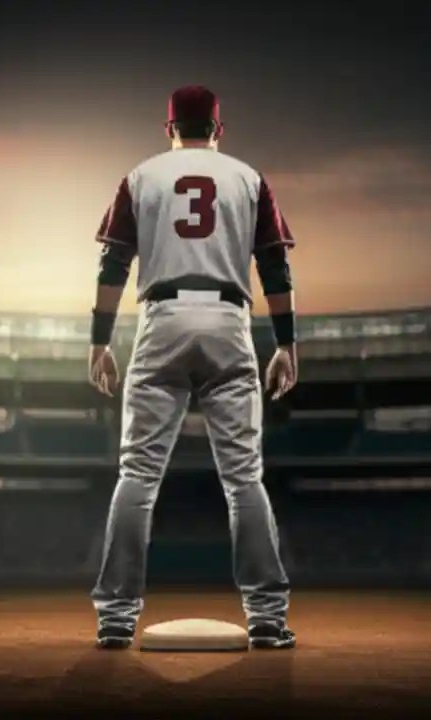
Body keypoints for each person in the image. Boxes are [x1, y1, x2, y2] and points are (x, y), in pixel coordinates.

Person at [85, 85, 299, 650]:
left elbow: (113, 264)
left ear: (169, 128)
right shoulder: (249, 178)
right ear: (219, 130)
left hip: (162, 316)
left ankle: (115, 617)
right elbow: (275, 267)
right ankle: (267, 617)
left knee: (137, 474)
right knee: (244, 478)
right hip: (230, 319)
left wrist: (98, 341)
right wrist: (287, 344)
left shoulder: (141, 176)